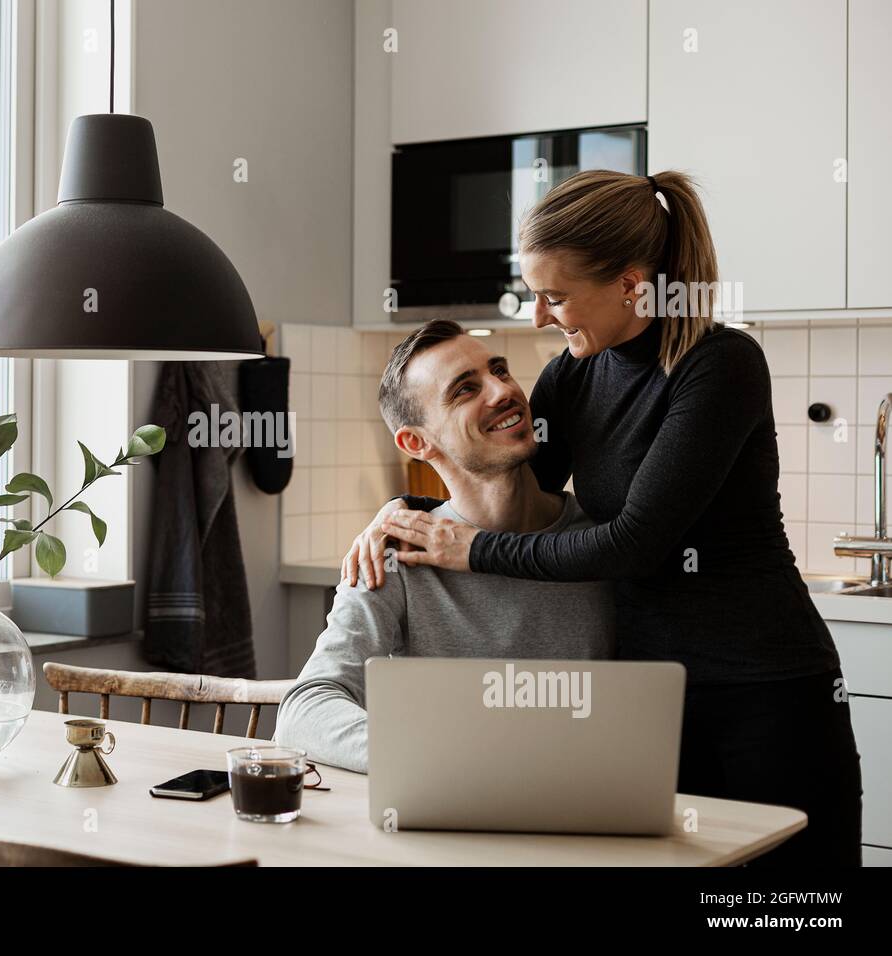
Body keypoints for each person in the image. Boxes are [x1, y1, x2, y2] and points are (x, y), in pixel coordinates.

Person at [340, 170, 862, 865]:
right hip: (646, 704)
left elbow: (634, 545)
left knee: (796, 908)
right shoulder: (573, 375)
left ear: (630, 283)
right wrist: (402, 513)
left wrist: (466, 550)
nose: (538, 317)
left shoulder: (721, 364)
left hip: (765, 692)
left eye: (554, 296)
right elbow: (517, 497)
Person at [275, 323, 614, 773]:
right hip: (452, 813)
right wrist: (441, 760)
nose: (502, 391)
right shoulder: (395, 552)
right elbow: (304, 711)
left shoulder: (606, 542)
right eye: (465, 390)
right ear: (417, 442)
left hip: (593, 804)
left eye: (499, 370)